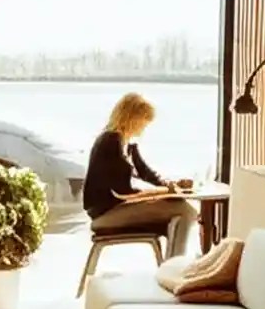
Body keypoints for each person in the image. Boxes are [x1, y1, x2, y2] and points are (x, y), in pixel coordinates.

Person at [82, 92, 198, 257]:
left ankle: (172, 264)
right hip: (105, 214)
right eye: (143, 121)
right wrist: (163, 194)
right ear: (131, 117)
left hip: (116, 209)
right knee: (185, 211)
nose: (144, 126)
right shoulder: (110, 141)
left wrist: (172, 185)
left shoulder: (127, 145)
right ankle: (173, 267)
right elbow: (122, 192)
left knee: (182, 211)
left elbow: (148, 174)